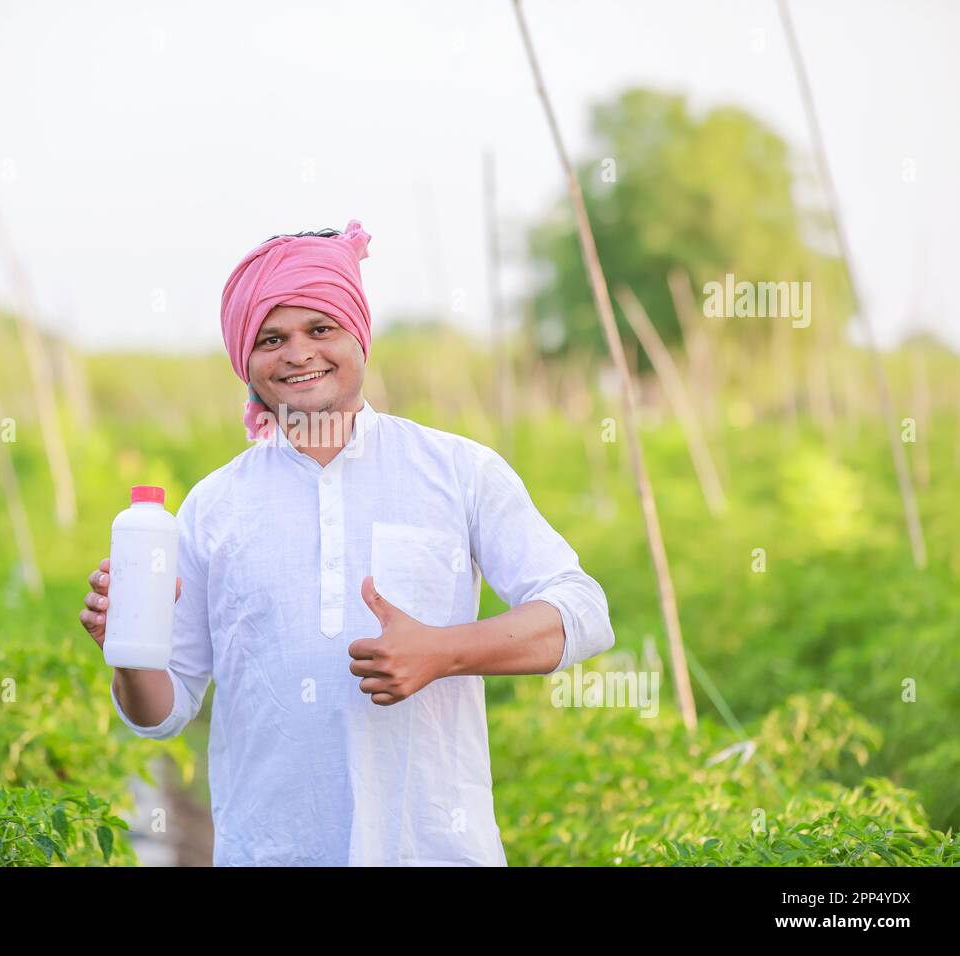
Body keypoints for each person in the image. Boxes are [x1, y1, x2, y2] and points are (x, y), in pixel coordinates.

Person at [80, 219, 616, 866]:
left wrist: (441, 652)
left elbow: (582, 612)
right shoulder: (213, 508)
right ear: (244, 362)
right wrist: (128, 649)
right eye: (271, 338)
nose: (298, 353)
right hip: (270, 851)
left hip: (434, 849)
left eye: (321, 329)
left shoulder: (456, 471)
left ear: (359, 335)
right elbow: (161, 712)